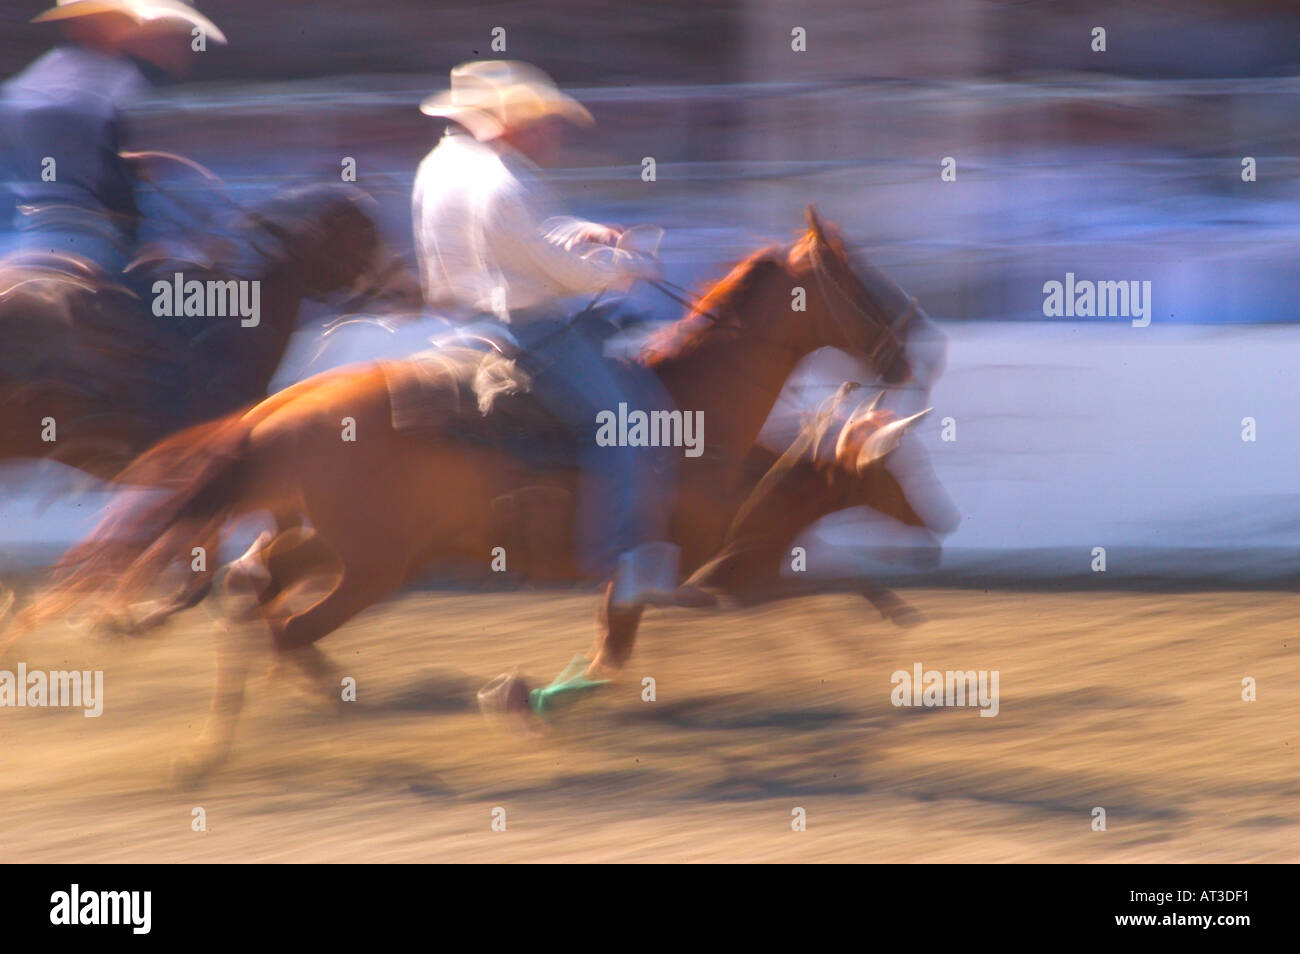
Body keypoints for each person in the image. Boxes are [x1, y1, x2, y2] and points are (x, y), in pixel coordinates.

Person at [413, 60, 701, 610]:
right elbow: (551, 265)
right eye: (545, 121)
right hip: (528, 323)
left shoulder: (454, 165)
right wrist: (628, 265)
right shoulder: (503, 181)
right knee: (621, 422)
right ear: (514, 123)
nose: (554, 132)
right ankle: (621, 559)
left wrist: (585, 232)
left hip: (473, 313)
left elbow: (530, 238)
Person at [0, 0, 226, 274]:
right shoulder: (121, 81)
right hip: (96, 236)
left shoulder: (25, 84)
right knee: (174, 291)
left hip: (25, 235)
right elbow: (116, 184)